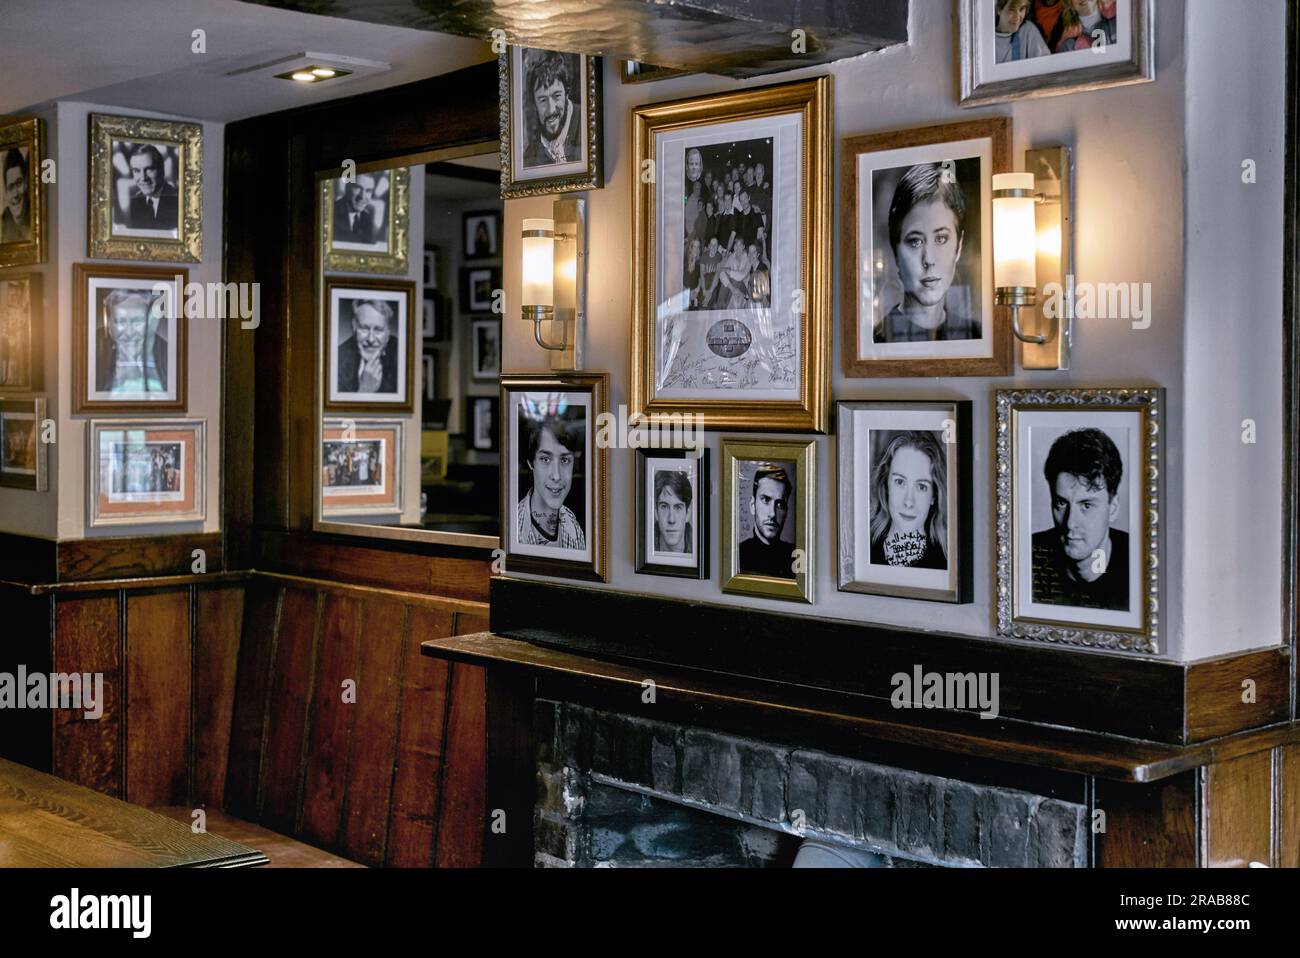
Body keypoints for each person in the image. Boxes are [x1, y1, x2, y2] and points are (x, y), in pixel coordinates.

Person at [879, 163, 979, 343]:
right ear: (896, 251)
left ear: (959, 246)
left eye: (941, 239)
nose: (929, 260)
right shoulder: (878, 340)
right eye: (915, 241)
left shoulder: (976, 334)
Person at [1031, 428, 1129, 610]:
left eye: (1086, 505)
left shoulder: (1139, 566)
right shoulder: (1027, 556)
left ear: (1113, 509)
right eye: (1061, 503)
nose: (1070, 523)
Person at [869, 432, 948, 569]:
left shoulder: (945, 563)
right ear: (886, 485)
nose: (909, 502)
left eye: (921, 487)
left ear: (934, 496)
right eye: (899, 482)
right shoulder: (860, 547)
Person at [517, 413, 586, 549]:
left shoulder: (573, 526)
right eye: (546, 459)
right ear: (531, 463)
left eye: (565, 460)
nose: (556, 475)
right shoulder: (515, 528)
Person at [96, 288, 168, 394]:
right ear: (109, 324)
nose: (129, 333)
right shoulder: (93, 351)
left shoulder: (168, 355)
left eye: (137, 321)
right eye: (121, 321)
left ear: (150, 322)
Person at [523, 53, 582, 168]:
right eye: (543, 100)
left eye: (556, 96)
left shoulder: (586, 124)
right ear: (535, 104)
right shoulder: (530, 156)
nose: (551, 110)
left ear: (567, 93)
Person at [738, 464, 795, 578]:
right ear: (753, 505)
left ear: (786, 511)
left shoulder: (796, 556)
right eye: (766, 500)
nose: (773, 514)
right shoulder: (737, 555)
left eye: (780, 504)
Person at [336, 299, 398, 394]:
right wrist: (365, 389)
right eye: (364, 328)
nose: (371, 339)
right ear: (354, 327)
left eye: (378, 330)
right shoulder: (337, 359)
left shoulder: (401, 353)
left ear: (388, 333)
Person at [125, 144, 178, 231]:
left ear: (162, 170)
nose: (143, 178)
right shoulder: (136, 202)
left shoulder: (178, 201)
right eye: (136, 171)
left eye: (149, 169)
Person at [333, 173, 382, 245]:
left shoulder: (366, 218)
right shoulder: (332, 212)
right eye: (358, 188)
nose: (362, 196)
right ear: (347, 188)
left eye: (368, 191)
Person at [653, 469, 694, 554]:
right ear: (656, 513)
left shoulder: (700, 548)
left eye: (678, 507)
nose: (671, 519)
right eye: (664, 507)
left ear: (688, 514)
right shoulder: (644, 546)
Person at [1, 149, 30, 243]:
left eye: (19, 183)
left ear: (25, 183)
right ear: (6, 193)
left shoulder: (34, 215)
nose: (16, 194)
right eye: (11, 187)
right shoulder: (3, 222)